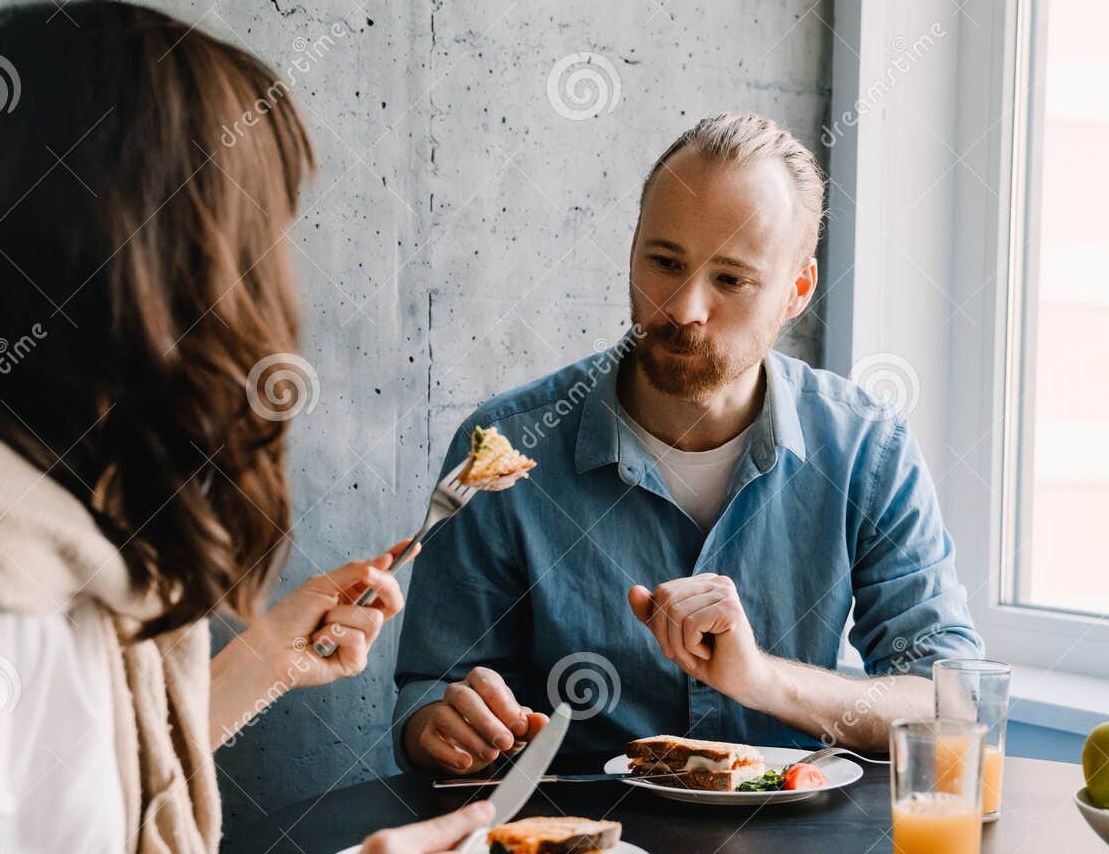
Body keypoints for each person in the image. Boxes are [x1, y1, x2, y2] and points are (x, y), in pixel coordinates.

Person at [0, 0, 490, 854]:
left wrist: (266, 659)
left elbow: (50, 773)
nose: (280, 281)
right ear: (154, 252)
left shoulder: (46, 521)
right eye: (261, 229)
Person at [395, 113, 981, 776]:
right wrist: (440, 726)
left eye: (731, 279)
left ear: (797, 290)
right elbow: (426, 691)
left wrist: (762, 679)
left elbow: (949, 704)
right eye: (665, 261)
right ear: (633, 247)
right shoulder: (507, 447)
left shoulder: (867, 448)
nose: (684, 308)